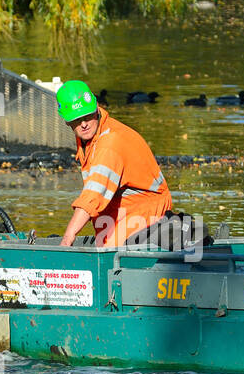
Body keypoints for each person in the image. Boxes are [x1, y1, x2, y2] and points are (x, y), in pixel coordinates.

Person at [56, 80, 171, 248]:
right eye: (77, 119)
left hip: (144, 208)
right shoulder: (91, 136)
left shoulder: (110, 143)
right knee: (103, 251)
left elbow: (93, 195)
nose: (84, 124)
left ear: (96, 109)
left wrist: (68, 237)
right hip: (121, 208)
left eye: (87, 116)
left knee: (110, 258)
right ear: (67, 121)